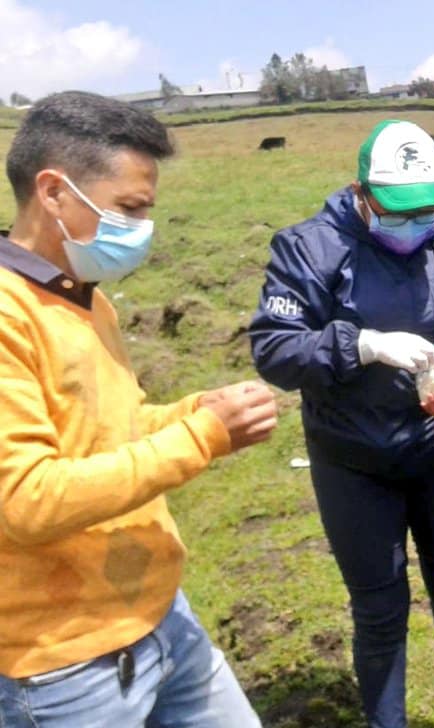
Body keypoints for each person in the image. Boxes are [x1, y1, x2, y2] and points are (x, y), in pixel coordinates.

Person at [0, 92, 277, 726]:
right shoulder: (8, 316)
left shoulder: (84, 299)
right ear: (53, 192)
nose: (143, 229)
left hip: (159, 616)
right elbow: (27, 499)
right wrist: (202, 437)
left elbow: (105, 435)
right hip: (65, 667)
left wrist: (188, 412)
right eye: (129, 209)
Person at [249, 119, 434, 728]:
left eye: (428, 210)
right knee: (378, 606)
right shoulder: (309, 248)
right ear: (360, 193)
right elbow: (275, 349)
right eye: (398, 211)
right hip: (354, 460)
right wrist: (363, 346)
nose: (416, 223)